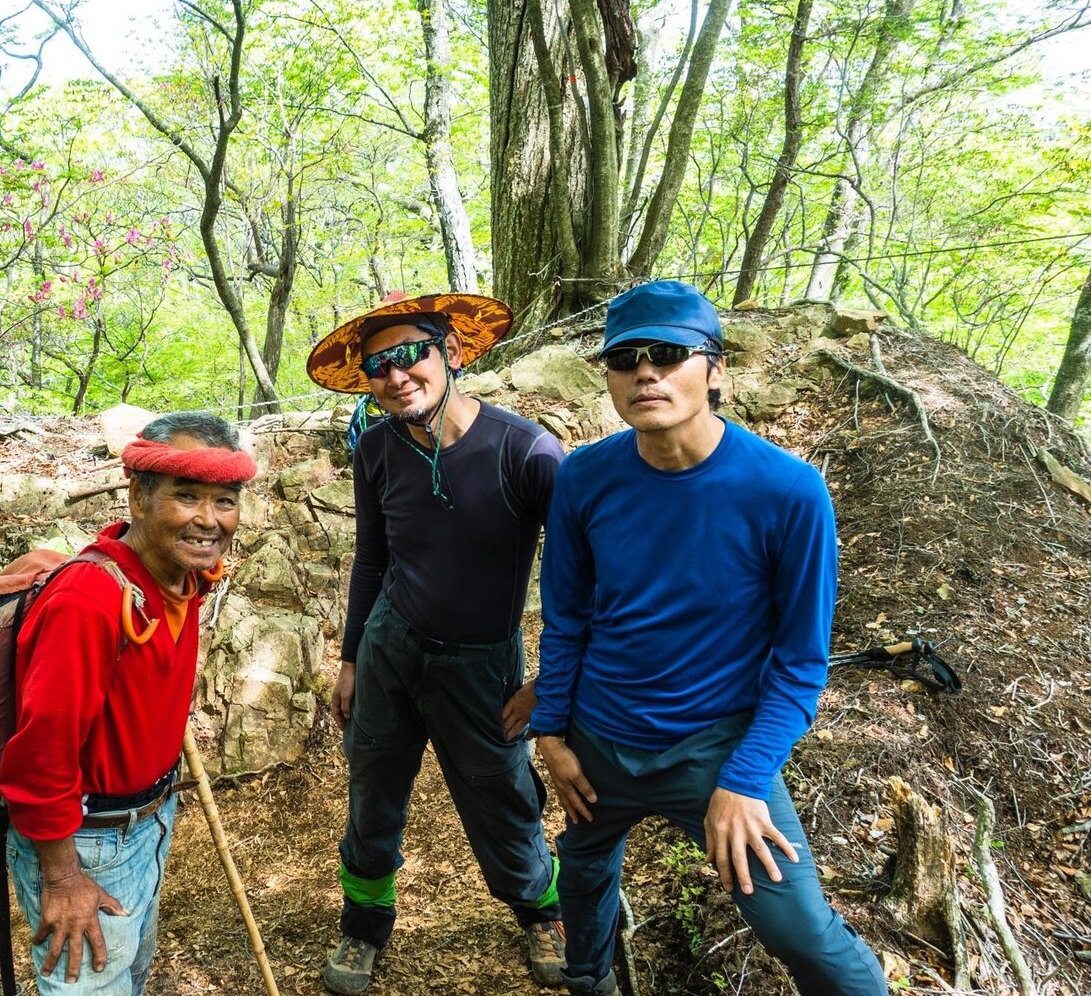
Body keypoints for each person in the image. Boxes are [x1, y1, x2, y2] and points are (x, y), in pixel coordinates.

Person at [531, 281, 888, 996]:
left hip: (712, 749)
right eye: (625, 358)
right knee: (583, 868)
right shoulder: (585, 478)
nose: (646, 372)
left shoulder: (787, 492)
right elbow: (567, 617)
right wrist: (551, 732)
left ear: (715, 369)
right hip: (599, 737)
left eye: (669, 354)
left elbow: (798, 665)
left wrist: (744, 778)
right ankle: (588, 976)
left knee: (800, 932)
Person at [306, 291, 568, 994]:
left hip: (482, 660)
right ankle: (363, 926)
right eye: (376, 366)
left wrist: (551, 683)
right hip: (393, 646)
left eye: (408, 355)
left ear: (450, 354)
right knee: (373, 787)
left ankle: (544, 911)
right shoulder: (377, 448)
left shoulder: (529, 452)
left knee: (502, 791)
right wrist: (353, 656)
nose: (394, 376)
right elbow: (371, 558)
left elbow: (586, 574)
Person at [0, 412, 256, 996]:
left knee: (130, 973)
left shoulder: (181, 577)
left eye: (225, 500)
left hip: (148, 820)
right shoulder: (88, 602)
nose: (208, 520)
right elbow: (41, 754)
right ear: (138, 496)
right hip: (87, 842)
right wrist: (63, 879)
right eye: (186, 496)